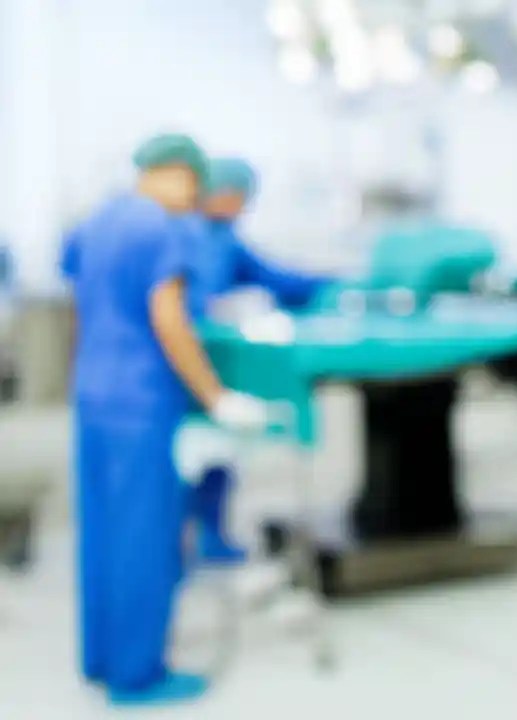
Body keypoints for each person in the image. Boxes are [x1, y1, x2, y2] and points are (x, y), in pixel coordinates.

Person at [61, 134, 269, 706]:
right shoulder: (161, 228)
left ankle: (102, 658)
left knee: (102, 530)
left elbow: (83, 313)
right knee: (145, 536)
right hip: (142, 404)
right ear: (179, 173)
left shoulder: (96, 222)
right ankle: (138, 677)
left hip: (93, 394)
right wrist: (217, 396)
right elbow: (169, 320)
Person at [183, 157, 331, 564]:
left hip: (212, 363)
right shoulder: (186, 236)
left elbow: (276, 280)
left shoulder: (223, 238)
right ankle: (181, 542)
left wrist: (332, 283)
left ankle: (208, 536)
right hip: (184, 366)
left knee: (217, 450)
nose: (239, 205)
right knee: (188, 458)